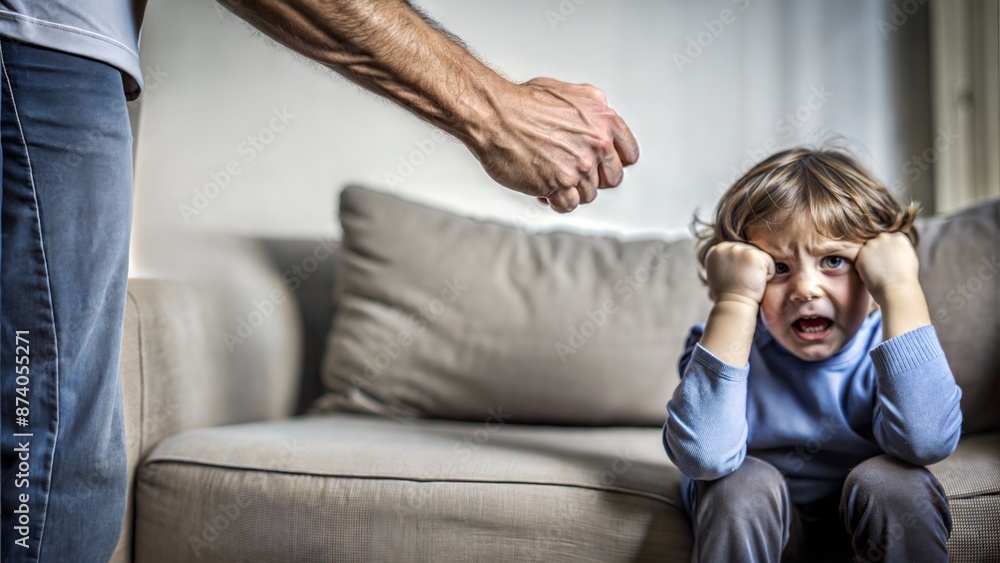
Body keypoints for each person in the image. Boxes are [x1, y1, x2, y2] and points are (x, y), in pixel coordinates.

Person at [0, 1, 639, 561]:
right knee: (55, 466)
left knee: (54, 453)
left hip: (59, 56)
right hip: (39, 53)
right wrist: (500, 114)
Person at [662, 147, 962, 562]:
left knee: (897, 485)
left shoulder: (891, 346)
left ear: (874, 270)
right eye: (778, 268)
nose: (805, 289)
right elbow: (704, 457)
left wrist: (899, 288)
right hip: (762, 521)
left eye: (834, 260)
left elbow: (926, 443)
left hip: (860, 518)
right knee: (739, 487)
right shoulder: (719, 345)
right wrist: (734, 302)